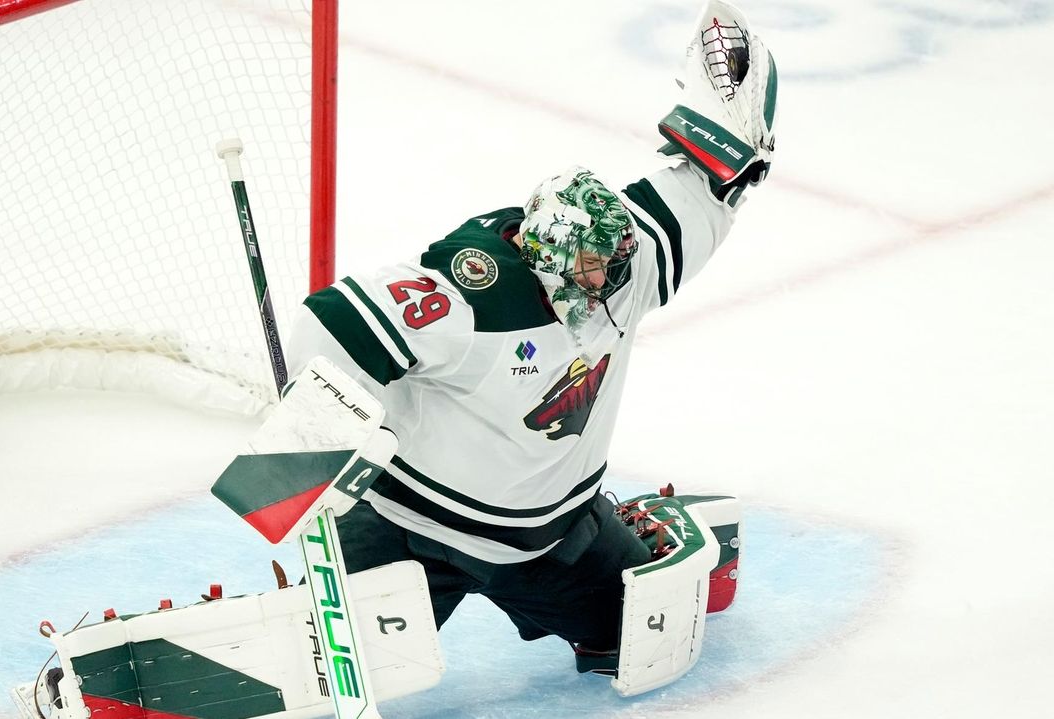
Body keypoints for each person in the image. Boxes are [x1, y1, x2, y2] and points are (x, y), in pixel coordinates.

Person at [284, 0, 775, 682]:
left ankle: (625, 531)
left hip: (555, 543)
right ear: (543, 255)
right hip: (410, 526)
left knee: (639, 645)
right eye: (589, 271)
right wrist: (304, 456)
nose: (605, 285)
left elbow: (707, 185)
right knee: (321, 664)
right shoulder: (467, 295)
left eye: (611, 266)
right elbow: (330, 322)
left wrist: (736, 117)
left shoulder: (626, 261)